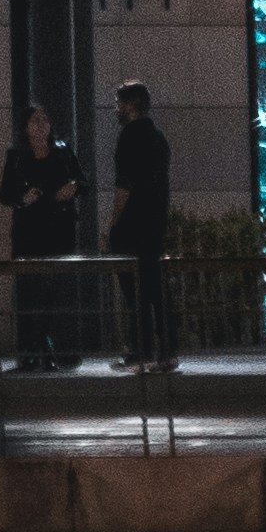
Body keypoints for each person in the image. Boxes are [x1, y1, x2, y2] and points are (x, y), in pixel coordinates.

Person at [0, 101, 88, 371]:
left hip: (58, 231)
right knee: (29, 291)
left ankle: (52, 348)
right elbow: (5, 194)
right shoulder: (16, 156)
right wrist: (23, 199)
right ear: (25, 127)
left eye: (45, 119)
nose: (42, 124)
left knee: (55, 291)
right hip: (29, 232)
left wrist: (72, 187)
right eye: (35, 120)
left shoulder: (62, 151)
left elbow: (83, 181)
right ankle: (31, 350)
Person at [108, 76, 176, 373]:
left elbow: (123, 186)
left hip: (132, 225)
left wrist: (114, 224)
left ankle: (141, 351)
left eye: (118, 104)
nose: (116, 110)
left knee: (133, 291)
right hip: (155, 223)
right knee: (155, 288)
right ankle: (166, 352)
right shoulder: (158, 138)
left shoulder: (128, 138)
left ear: (130, 106)